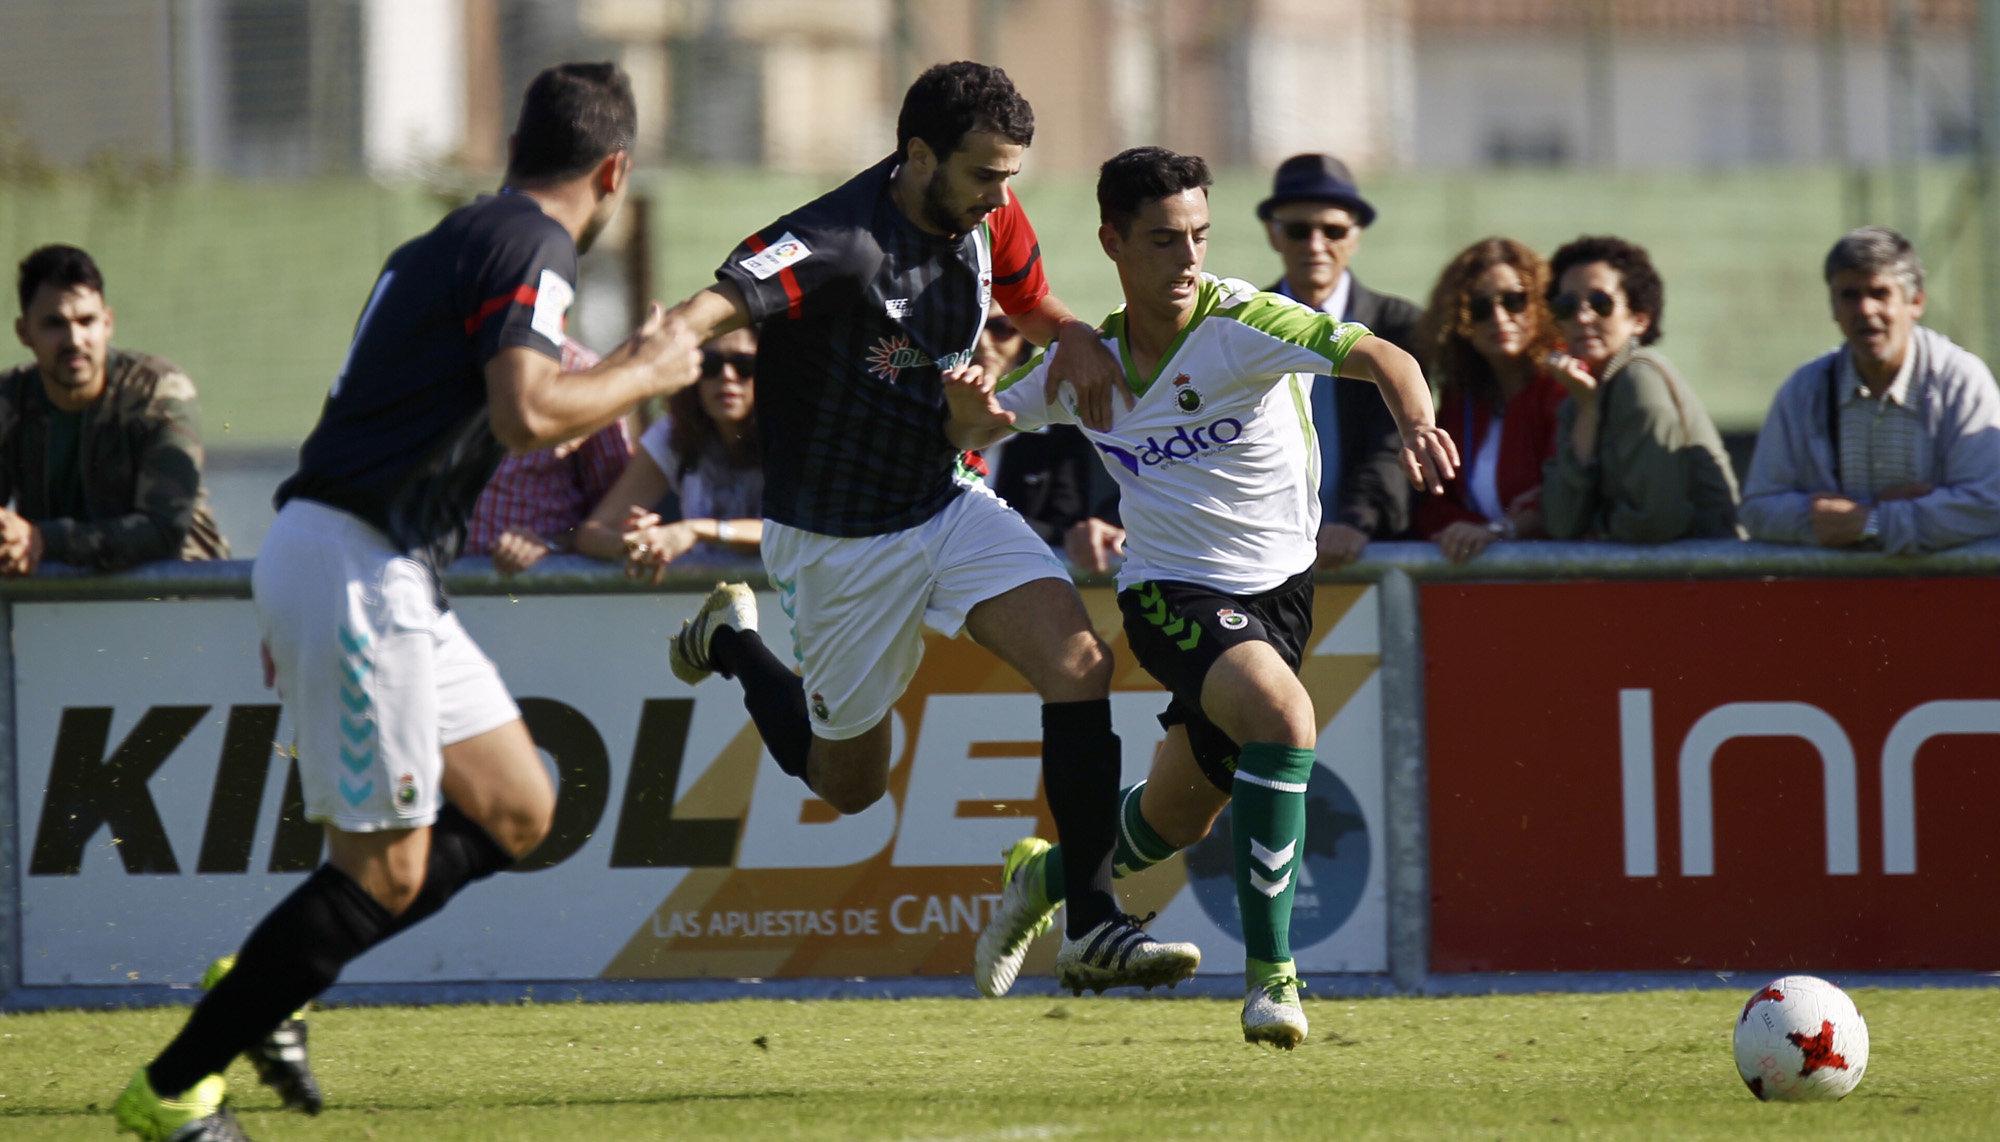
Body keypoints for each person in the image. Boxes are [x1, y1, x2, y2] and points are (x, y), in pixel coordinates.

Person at [114, 63, 699, 1142]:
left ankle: (270, 976)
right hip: (355, 560)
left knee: (519, 805)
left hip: (367, 562)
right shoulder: (533, 244)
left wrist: (618, 367)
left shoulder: (445, 241)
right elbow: (528, 416)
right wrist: (651, 366)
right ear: (613, 169)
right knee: (385, 868)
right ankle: (172, 1087)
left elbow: (488, 412)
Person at [657, 62, 1201, 995]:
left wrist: (1068, 330)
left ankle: (1093, 923)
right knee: (851, 785)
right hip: (837, 542)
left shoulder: (991, 214)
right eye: (985, 174)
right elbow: (702, 314)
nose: (1000, 196)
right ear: (918, 155)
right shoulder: (834, 241)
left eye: (1011, 178)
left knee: (1080, 666)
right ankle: (736, 645)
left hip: (945, 501)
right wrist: (624, 371)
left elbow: (1031, 304)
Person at [959, 148, 1456, 1047]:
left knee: (1174, 817)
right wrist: (961, 406)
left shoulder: (1241, 322)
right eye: (1161, 240)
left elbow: (1382, 352)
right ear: (1112, 242)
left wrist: (1416, 420)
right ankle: (1274, 980)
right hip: (1167, 594)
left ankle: (1043, 881)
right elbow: (982, 425)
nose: (1186, 260)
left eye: (1198, 237)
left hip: (1280, 597)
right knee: (1283, 717)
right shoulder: (1088, 364)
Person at [1741, 227, 2000, 551]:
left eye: (1879, 293)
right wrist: (1877, 510)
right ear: (1833, 306)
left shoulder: (1960, 381)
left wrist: (1870, 521)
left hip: (1943, 596)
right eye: (1850, 295)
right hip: (1840, 597)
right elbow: (1757, 509)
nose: (1865, 310)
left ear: (1916, 302)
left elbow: (1988, 506)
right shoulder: (1803, 391)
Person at [3, 244, 227, 574]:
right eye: (54, 324)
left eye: (86, 321)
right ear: (24, 333)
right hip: (54, 609)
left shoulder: (158, 392)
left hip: (178, 601)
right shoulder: (9, 400)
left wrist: (44, 540)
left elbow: (165, 531)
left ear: (108, 323)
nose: (74, 339)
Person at [1259, 153, 1424, 567]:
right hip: (1260, 558)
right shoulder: (1240, 328)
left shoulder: (1399, 325)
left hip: (1370, 553)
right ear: (1273, 234)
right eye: (1298, 229)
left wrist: (1356, 519)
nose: (1315, 245)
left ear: (1355, 235)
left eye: (1332, 229)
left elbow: (1394, 440)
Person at [1540, 235, 1741, 543]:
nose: (1582, 317)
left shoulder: (1639, 378)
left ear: (1640, 319)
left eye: (1600, 303)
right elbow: (1562, 524)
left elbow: (1654, 521)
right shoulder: (1579, 398)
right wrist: (1587, 410)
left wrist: (1595, 530)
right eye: (1567, 305)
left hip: (1702, 581)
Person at [1414, 238, 1569, 562]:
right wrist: (1473, 533)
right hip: (1484, 583)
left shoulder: (1563, 387)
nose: (1499, 318)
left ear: (1541, 304)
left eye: (1515, 301)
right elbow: (1431, 503)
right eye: (1479, 308)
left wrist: (1497, 533)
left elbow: (1566, 494)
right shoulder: (1462, 400)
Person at [575, 327, 764, 576]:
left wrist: (693, 531)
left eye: (744, 364)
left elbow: (790, 531)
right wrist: (641, 542)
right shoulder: (671, 435)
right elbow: (591, 534)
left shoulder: (793, 435)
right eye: (710, 364)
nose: (727, 376)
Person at [465, 336, 632, 575]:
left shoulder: (584, 371)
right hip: (423, 581)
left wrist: (553, 545)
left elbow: (616, 517)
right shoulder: (427, 362)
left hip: (536, 592)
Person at [969, 304, 1113, 555]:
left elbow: (1065, 529)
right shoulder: (919, 415)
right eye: (971, 327)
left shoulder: (1062, 429)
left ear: (1024, 340)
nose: (982, 341)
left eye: (1002, 328)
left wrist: (967, 527)